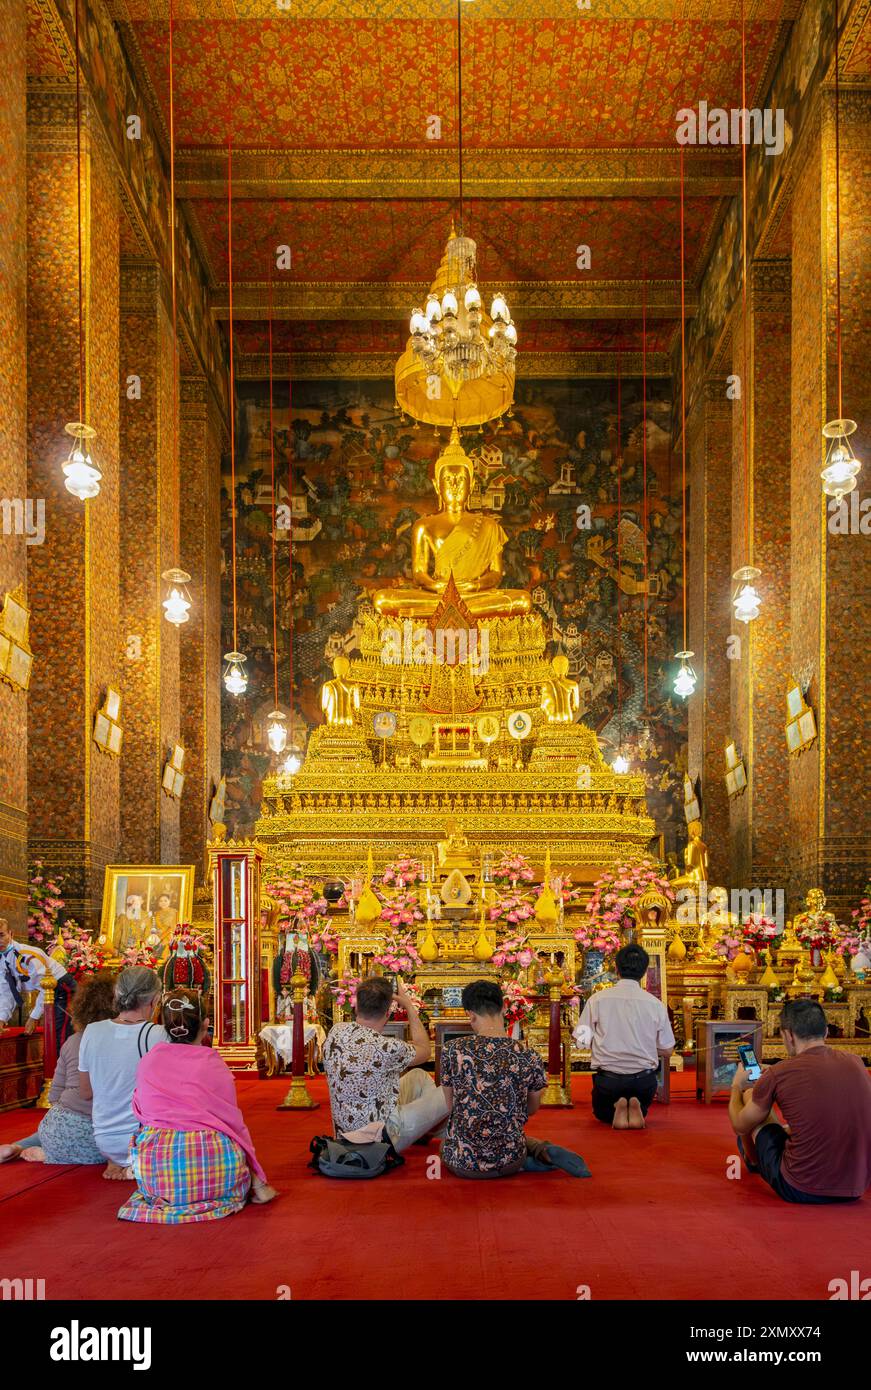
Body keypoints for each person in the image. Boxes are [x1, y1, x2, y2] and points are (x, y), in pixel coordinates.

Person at [118, 988, 276, 1223]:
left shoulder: (149, 1061)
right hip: (217, 1172)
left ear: (164, 1026)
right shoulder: (212, 1064)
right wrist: (258, 1178)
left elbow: (140, 1110)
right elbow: (232, 1125)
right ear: (206, 1024)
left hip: (158, 1173)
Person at [441, 979, 590, 1179]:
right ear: (504, 1007)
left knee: (445, 1142)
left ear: (470, 1014)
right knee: (510, 1132)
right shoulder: (529, 1055)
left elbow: (451, 1108)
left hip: (463, 1162)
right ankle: (539, 1151)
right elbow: (532, 1108)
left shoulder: (453, 1050)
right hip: (510, 1158)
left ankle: (532, 1156)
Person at [729, 998, 871, 1204]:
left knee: (750, 1097)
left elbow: (739, 1124)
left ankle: (753, 1159)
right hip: (855, 1187)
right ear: (826, 1033)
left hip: (799, 1186)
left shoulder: (780, 1073)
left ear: (788, 1035)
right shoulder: (856, 1062)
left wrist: (736, 1085)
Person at [0, 971, 117, 1166]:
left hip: (56, 1124)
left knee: (56, 1126)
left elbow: (54, 1096)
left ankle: (19, 1146)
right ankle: (50, 1155)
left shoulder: (72, 1041)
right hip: (96, 1131)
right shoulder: (121, 1042)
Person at [322, 975, 448, 1151]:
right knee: (451, 1090)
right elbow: (425, 1051)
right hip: (381, 1139)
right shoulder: (387, 1048)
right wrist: (410, 1008)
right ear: (388, 1012)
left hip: (345, 1133)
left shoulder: (336, 1031)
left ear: (357, 1006)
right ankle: (448, 1136)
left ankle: (429, 1131)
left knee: (418, 1076)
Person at [78, 965, 168, 1180]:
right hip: (142, 1139)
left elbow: (85, 1092)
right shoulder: (160, 1035)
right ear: (155, 1000)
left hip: (104, 1140)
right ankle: (135, 1165)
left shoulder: (92, 1031)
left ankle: (120, 1161)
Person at [573, 943, 675, 1129]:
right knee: (640, 1096)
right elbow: (668, 1050)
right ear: (644, 972)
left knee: (601, 1114)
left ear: (617, 969)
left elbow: (581, 1042)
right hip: (644, 1081)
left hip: (609, 1081)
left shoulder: (597, 999)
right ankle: (637, 1107)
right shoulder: (655, 1004)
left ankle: (616, 1107)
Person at [0, 917, 73, 1035]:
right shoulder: (2, 960)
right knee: (52, 1035)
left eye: (1, 935)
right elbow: (7, 991)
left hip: (61, 986)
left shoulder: (27, 955)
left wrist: (33, 1017)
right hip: (47, 991)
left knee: (60, 1034)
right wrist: (2, 1019)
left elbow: (47, 985)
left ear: (10, 934)